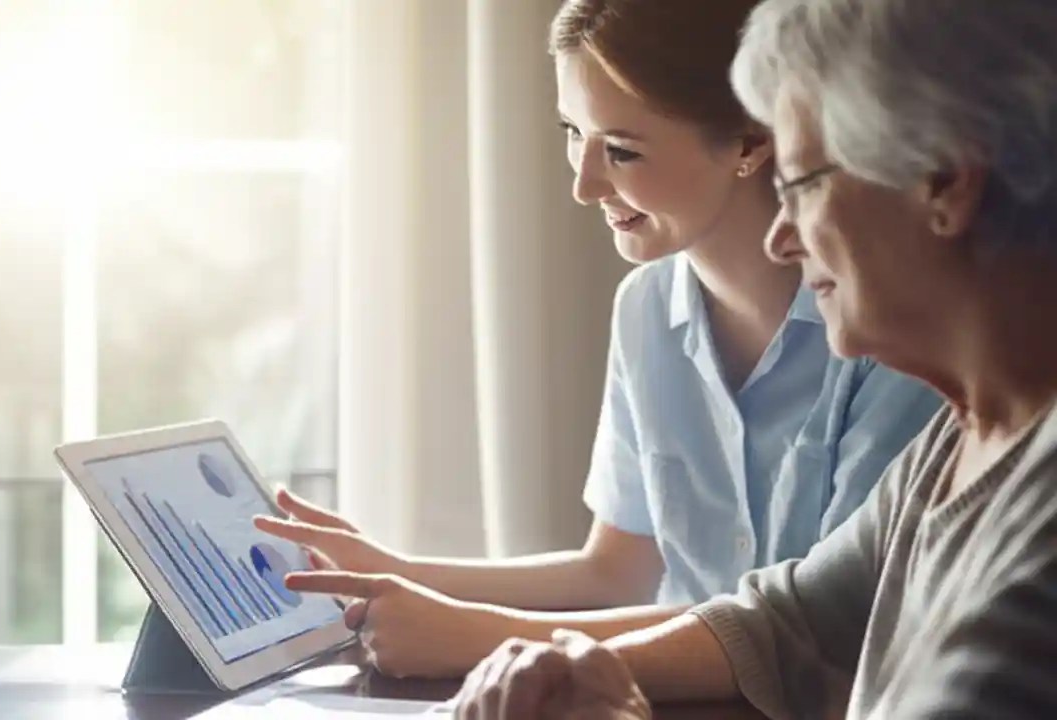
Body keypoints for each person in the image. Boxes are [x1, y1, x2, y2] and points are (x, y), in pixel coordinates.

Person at [257, 0, 940, 679]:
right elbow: (615, 572)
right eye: (572, 133)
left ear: (749, 141)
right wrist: (395, 570)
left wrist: (483, 637)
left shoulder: (884, 323)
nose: (584, 184)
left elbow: (828, 621)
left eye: (621, 149)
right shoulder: (645, 309)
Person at [452, 0, 1057, 717]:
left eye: (803, 184)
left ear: (946, 181)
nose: (781, 238)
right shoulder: (962, 440)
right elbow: (785, 620)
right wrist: (568, 669)